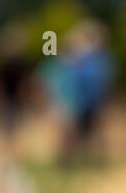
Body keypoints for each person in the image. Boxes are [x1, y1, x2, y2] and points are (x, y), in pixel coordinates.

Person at [41, 19, 115, 162]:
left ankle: (83, 159)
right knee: (72, 134)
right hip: (75, 102)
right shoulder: (73, 62)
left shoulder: (95, 60)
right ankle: (70, 159)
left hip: (86, 102)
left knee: (84, 134)